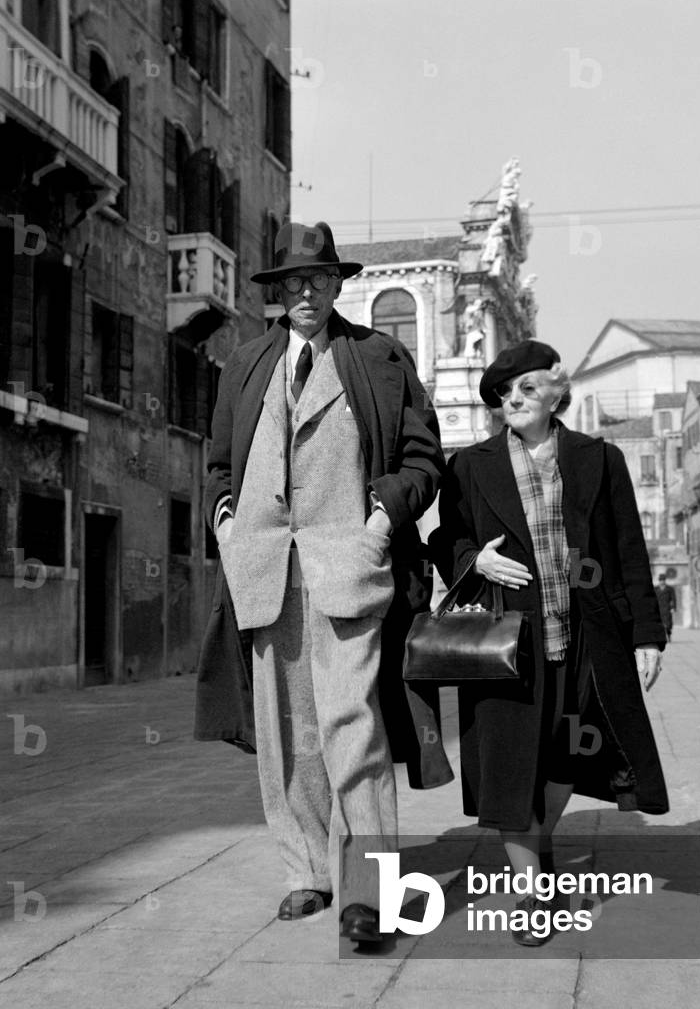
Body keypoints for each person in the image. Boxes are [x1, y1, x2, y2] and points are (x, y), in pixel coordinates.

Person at [195, 220, 452, 945]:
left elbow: (421, 459)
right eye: (289, 285)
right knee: (287, 735)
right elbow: (219, 461)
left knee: (353, 728)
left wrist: (377, 523)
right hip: (265, 573)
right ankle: (305, 872)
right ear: (276, 295)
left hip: (348, 569)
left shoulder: (378, 357)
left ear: (339, 285)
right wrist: (226, 525)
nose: (303, 293)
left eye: (316, 280)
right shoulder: (246, 363)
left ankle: (370, 892)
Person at [429, 339, 669, 947]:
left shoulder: (599, 458)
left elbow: (629, 551)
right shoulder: (470, 466)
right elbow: (446, 540)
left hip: (588, 636)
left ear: (555, 393)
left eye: (526, 388)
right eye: (502, 394)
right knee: (509, 768)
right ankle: (533, 891)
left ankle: (536, 848)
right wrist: (473, 557)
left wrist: (647, 635)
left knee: (568, 757)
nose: (512, 399)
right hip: (508, 641)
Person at [655, 573, 677, 641]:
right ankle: (662, 638)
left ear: (665, 580)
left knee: (668, 624)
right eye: (661, 580)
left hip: (667, 609)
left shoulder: (670, 589)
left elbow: (673, 599)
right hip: (658, 609)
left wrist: (673, 608)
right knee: (660, 625)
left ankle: (669, 635)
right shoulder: (655, 589)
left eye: (663, 580)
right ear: (659, 581)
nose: (662, 581)